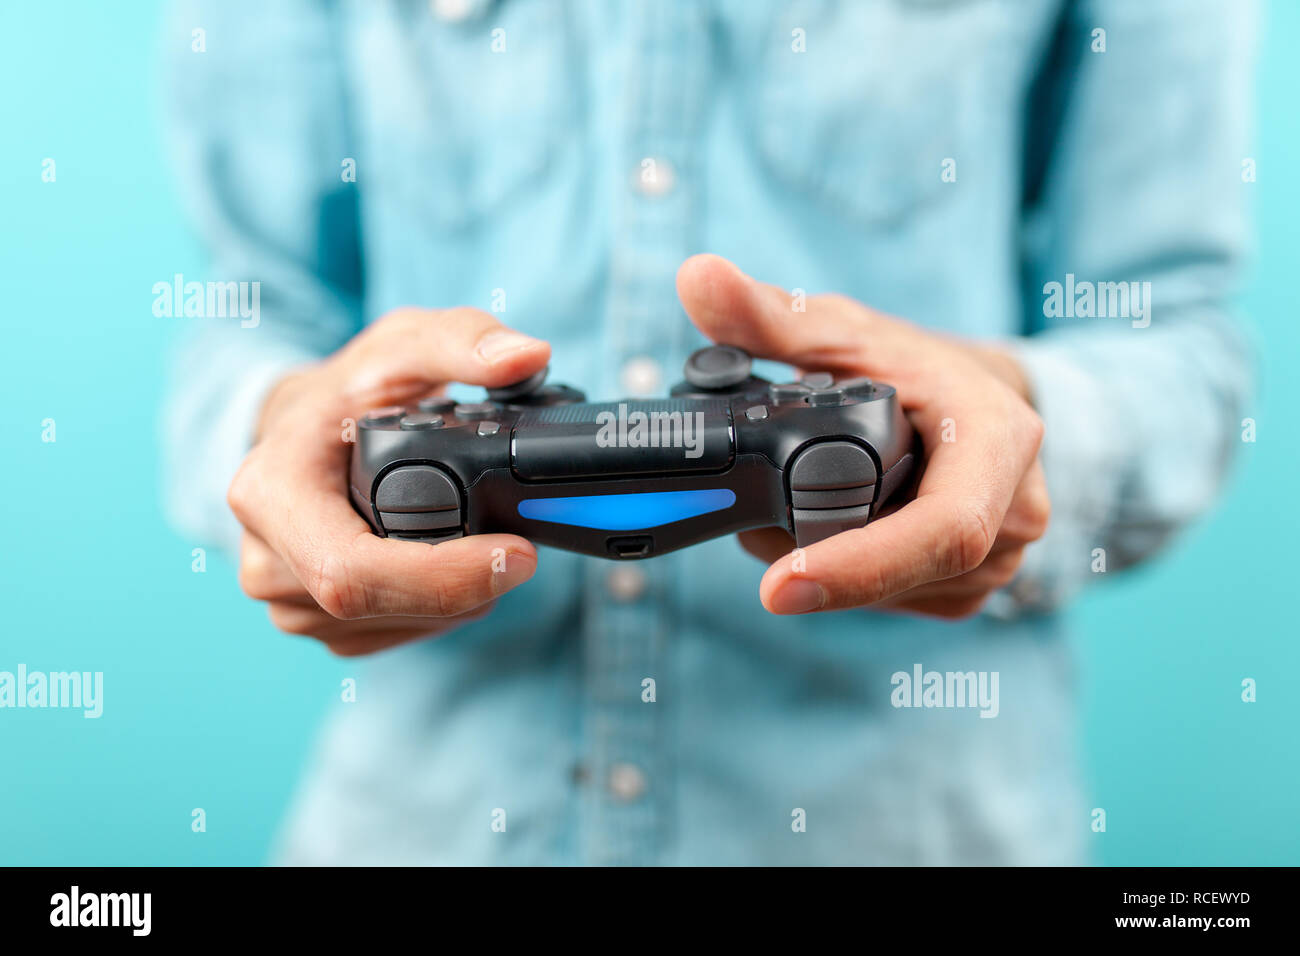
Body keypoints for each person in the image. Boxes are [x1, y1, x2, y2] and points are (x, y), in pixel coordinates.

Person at [163, 0, 1255, 865]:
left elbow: (1179, 342)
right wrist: (284, 444)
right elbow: (252, 317)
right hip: (424, 823)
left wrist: (1005, 431)